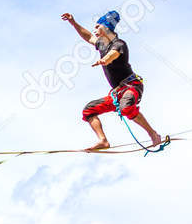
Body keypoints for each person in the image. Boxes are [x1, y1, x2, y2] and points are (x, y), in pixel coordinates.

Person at [61, 10, 165, 152]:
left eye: (98, 26)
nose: (95, 29)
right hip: (117, 92)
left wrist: (104, 60)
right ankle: (103, 141)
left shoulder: (119, 44)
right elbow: (89, 37)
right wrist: (73, 23)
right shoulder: (102, 43)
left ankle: (152, 133)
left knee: (125, 108)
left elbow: (113, 54)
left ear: (106, 27)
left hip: (132, 86)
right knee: (88, 110)